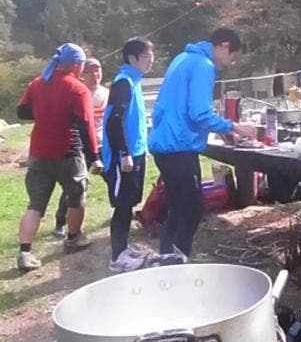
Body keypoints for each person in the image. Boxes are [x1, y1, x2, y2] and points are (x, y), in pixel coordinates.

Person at [148, 28, 256, 257]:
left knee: (177, 209)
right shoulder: (204, 66)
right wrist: (234, 126)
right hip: (179, 147)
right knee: (191, 210)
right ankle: (177, 263)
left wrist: (222, 130)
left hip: (165, 144)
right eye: (232, 58)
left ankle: (167, 260)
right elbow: (199, 113)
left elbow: (182, 106)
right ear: (224, 46)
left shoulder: (183, 58)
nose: (229, 64)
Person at [15, 43, 102, 271]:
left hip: (38, 153)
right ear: (76, 64)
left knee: (35, 204)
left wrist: (45, 112)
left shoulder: (37, 83)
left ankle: (24, 253)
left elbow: (22, 111)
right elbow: (86, 126)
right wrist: (94, 157)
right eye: (82, 64)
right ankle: (73, 239)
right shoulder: (77, 88)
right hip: (68, 152)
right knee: (76, 197)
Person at [102, 38, 154, 271]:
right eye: (145, 56)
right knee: (122, 205)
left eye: (151, 55)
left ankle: (123, 247)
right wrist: (124, 154)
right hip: (123, 156)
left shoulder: (135, 81)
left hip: (137, 152)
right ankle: (116, 257)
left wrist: (141, 150)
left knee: (130, 202)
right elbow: (114, 122)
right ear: (132, 59)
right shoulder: (123, 83)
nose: (150, 59)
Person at [54, 57, 109, 237]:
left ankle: (120, 209)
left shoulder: (108, 93)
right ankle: (61, 222)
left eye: (98, 70)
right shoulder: (76, 92)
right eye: (90, 71)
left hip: (103, 144)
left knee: (113, 179)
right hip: (80, 146)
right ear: (82, 74)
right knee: (74, 186)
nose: (95, 74)